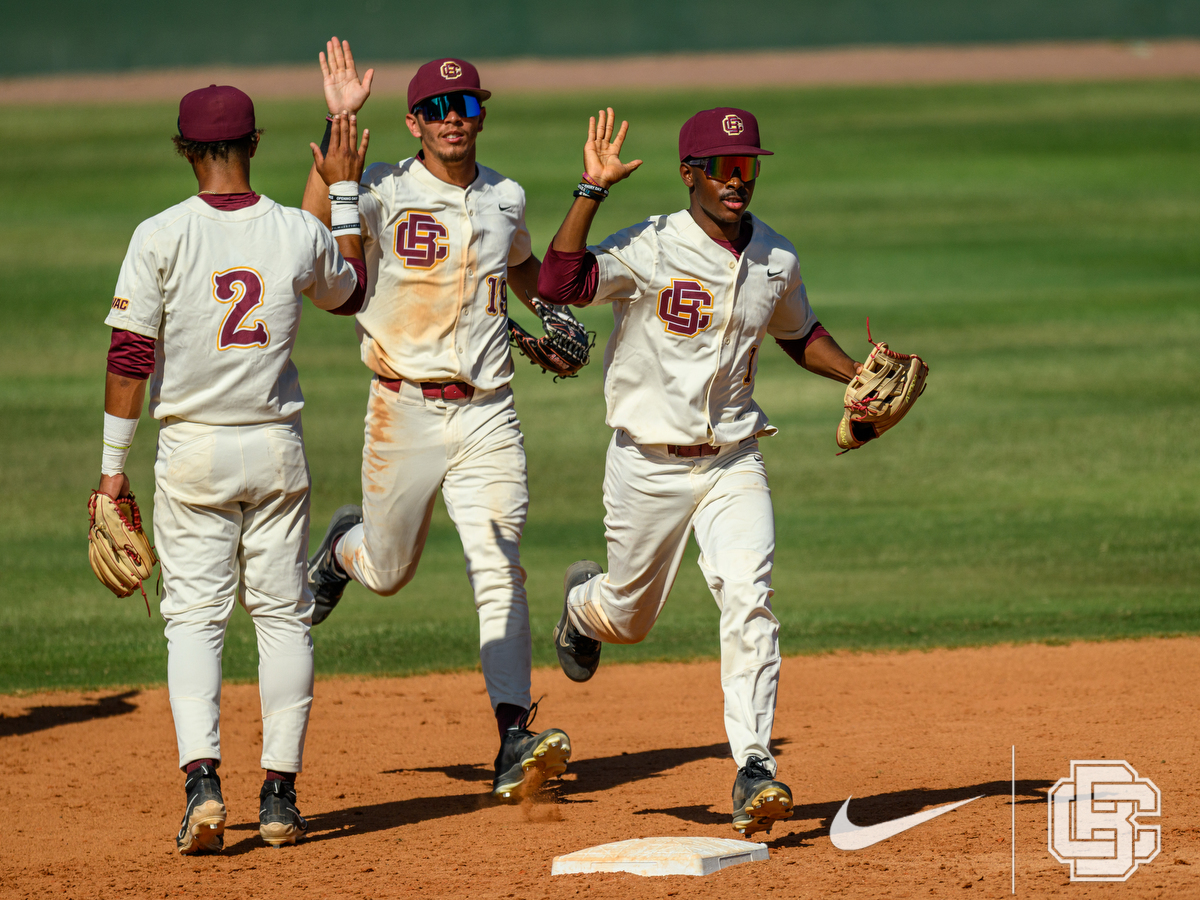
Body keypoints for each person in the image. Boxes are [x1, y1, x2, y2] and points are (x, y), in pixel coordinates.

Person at [536, 107, 865, 837]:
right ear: (691, 175)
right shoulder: (652, 246)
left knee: (749, 598)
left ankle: (753, 765)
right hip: (646, 464)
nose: (736, 180)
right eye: (721, 168)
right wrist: (589, 192)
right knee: (629, 618)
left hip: (734, 462)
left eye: (746, 166)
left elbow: (798, 331)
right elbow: (561, 283)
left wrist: (853, 375)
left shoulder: (776, 257)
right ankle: (583, 605)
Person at [99, 85, 369, 853]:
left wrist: (112, 471)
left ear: (186, 152)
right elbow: (350, 294)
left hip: (193, 453)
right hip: (274, 449)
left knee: (194, 618)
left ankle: (203, 788)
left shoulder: (159, 235)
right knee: (282, 616)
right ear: (255, 143)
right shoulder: (292, 230)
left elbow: (129, 355)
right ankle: (280, 798)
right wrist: (343, 191)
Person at [299, 39, 570, 802]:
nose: (456, 118)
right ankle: (340, 553)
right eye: (439, 109)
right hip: (402, 409)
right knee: (387, 573)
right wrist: (337, 125)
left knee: (499, 566)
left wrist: (545, 309)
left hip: (489, 413)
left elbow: (517, 265)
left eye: (468, 105)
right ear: (415, 122)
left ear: (482, 114)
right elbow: (312, 228)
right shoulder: (379, 188)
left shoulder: (506, 195)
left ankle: (513, 736)